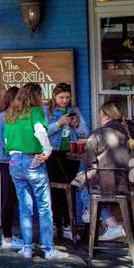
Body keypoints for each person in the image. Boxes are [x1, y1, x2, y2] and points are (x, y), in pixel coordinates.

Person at [4, 82, 67, 260]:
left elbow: (6, 139)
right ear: (35, 96)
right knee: (44, 206)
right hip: (32, 159)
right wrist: (47, 151)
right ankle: (48, 249)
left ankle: (27, 248)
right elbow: (40, 132)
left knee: (25, 207)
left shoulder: (11, 114)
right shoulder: (36, 112)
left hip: (14, 161)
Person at [75, 101, 134, 243]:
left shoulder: (99, 133)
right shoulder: (132, 130)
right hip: (131, 183)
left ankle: (110, 223)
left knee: (82, 182)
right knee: (87, 182)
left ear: (105, 115)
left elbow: (88, 162)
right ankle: (89, 209)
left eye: (100, 114)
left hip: (109, 185)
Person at [44, 82, 89, 240]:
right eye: (61, 97)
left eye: (67, 97)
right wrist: (59, 123)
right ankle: (56, 224)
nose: (64, 101)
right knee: (56, 190)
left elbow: (85, 133)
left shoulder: (75, 110)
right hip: (54, 153)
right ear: (54, 96)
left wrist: (77, 125)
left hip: (71, 153)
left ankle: (68, 225)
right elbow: (43, 133)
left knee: (69, 188)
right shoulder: (47, 110)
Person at [0, 86, 23, 250]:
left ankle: (8, 236)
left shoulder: (2, 115)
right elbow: (7, 143)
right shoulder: (5, 117)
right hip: (7, 160)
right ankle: (7, 238)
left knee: (11, 197)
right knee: (9, 197)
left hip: (4, 160)